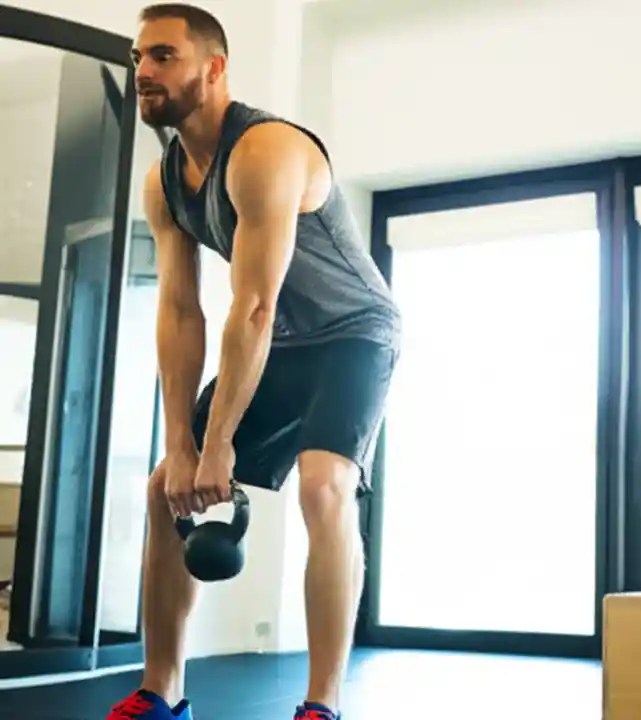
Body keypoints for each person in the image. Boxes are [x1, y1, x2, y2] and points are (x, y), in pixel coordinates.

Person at [108, 4, 400, 720]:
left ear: (213, 68)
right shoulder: (165, 182)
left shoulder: (265, 150)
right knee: (161, 489)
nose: (143, 70)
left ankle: (321, 704)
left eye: (164, 56)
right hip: (275, 344)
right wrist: (182, 446)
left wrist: (217, 448)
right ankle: (162, 692)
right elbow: (182, 312)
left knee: (323, 486)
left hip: (351, 333)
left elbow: (254, 306)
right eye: (139, 56)